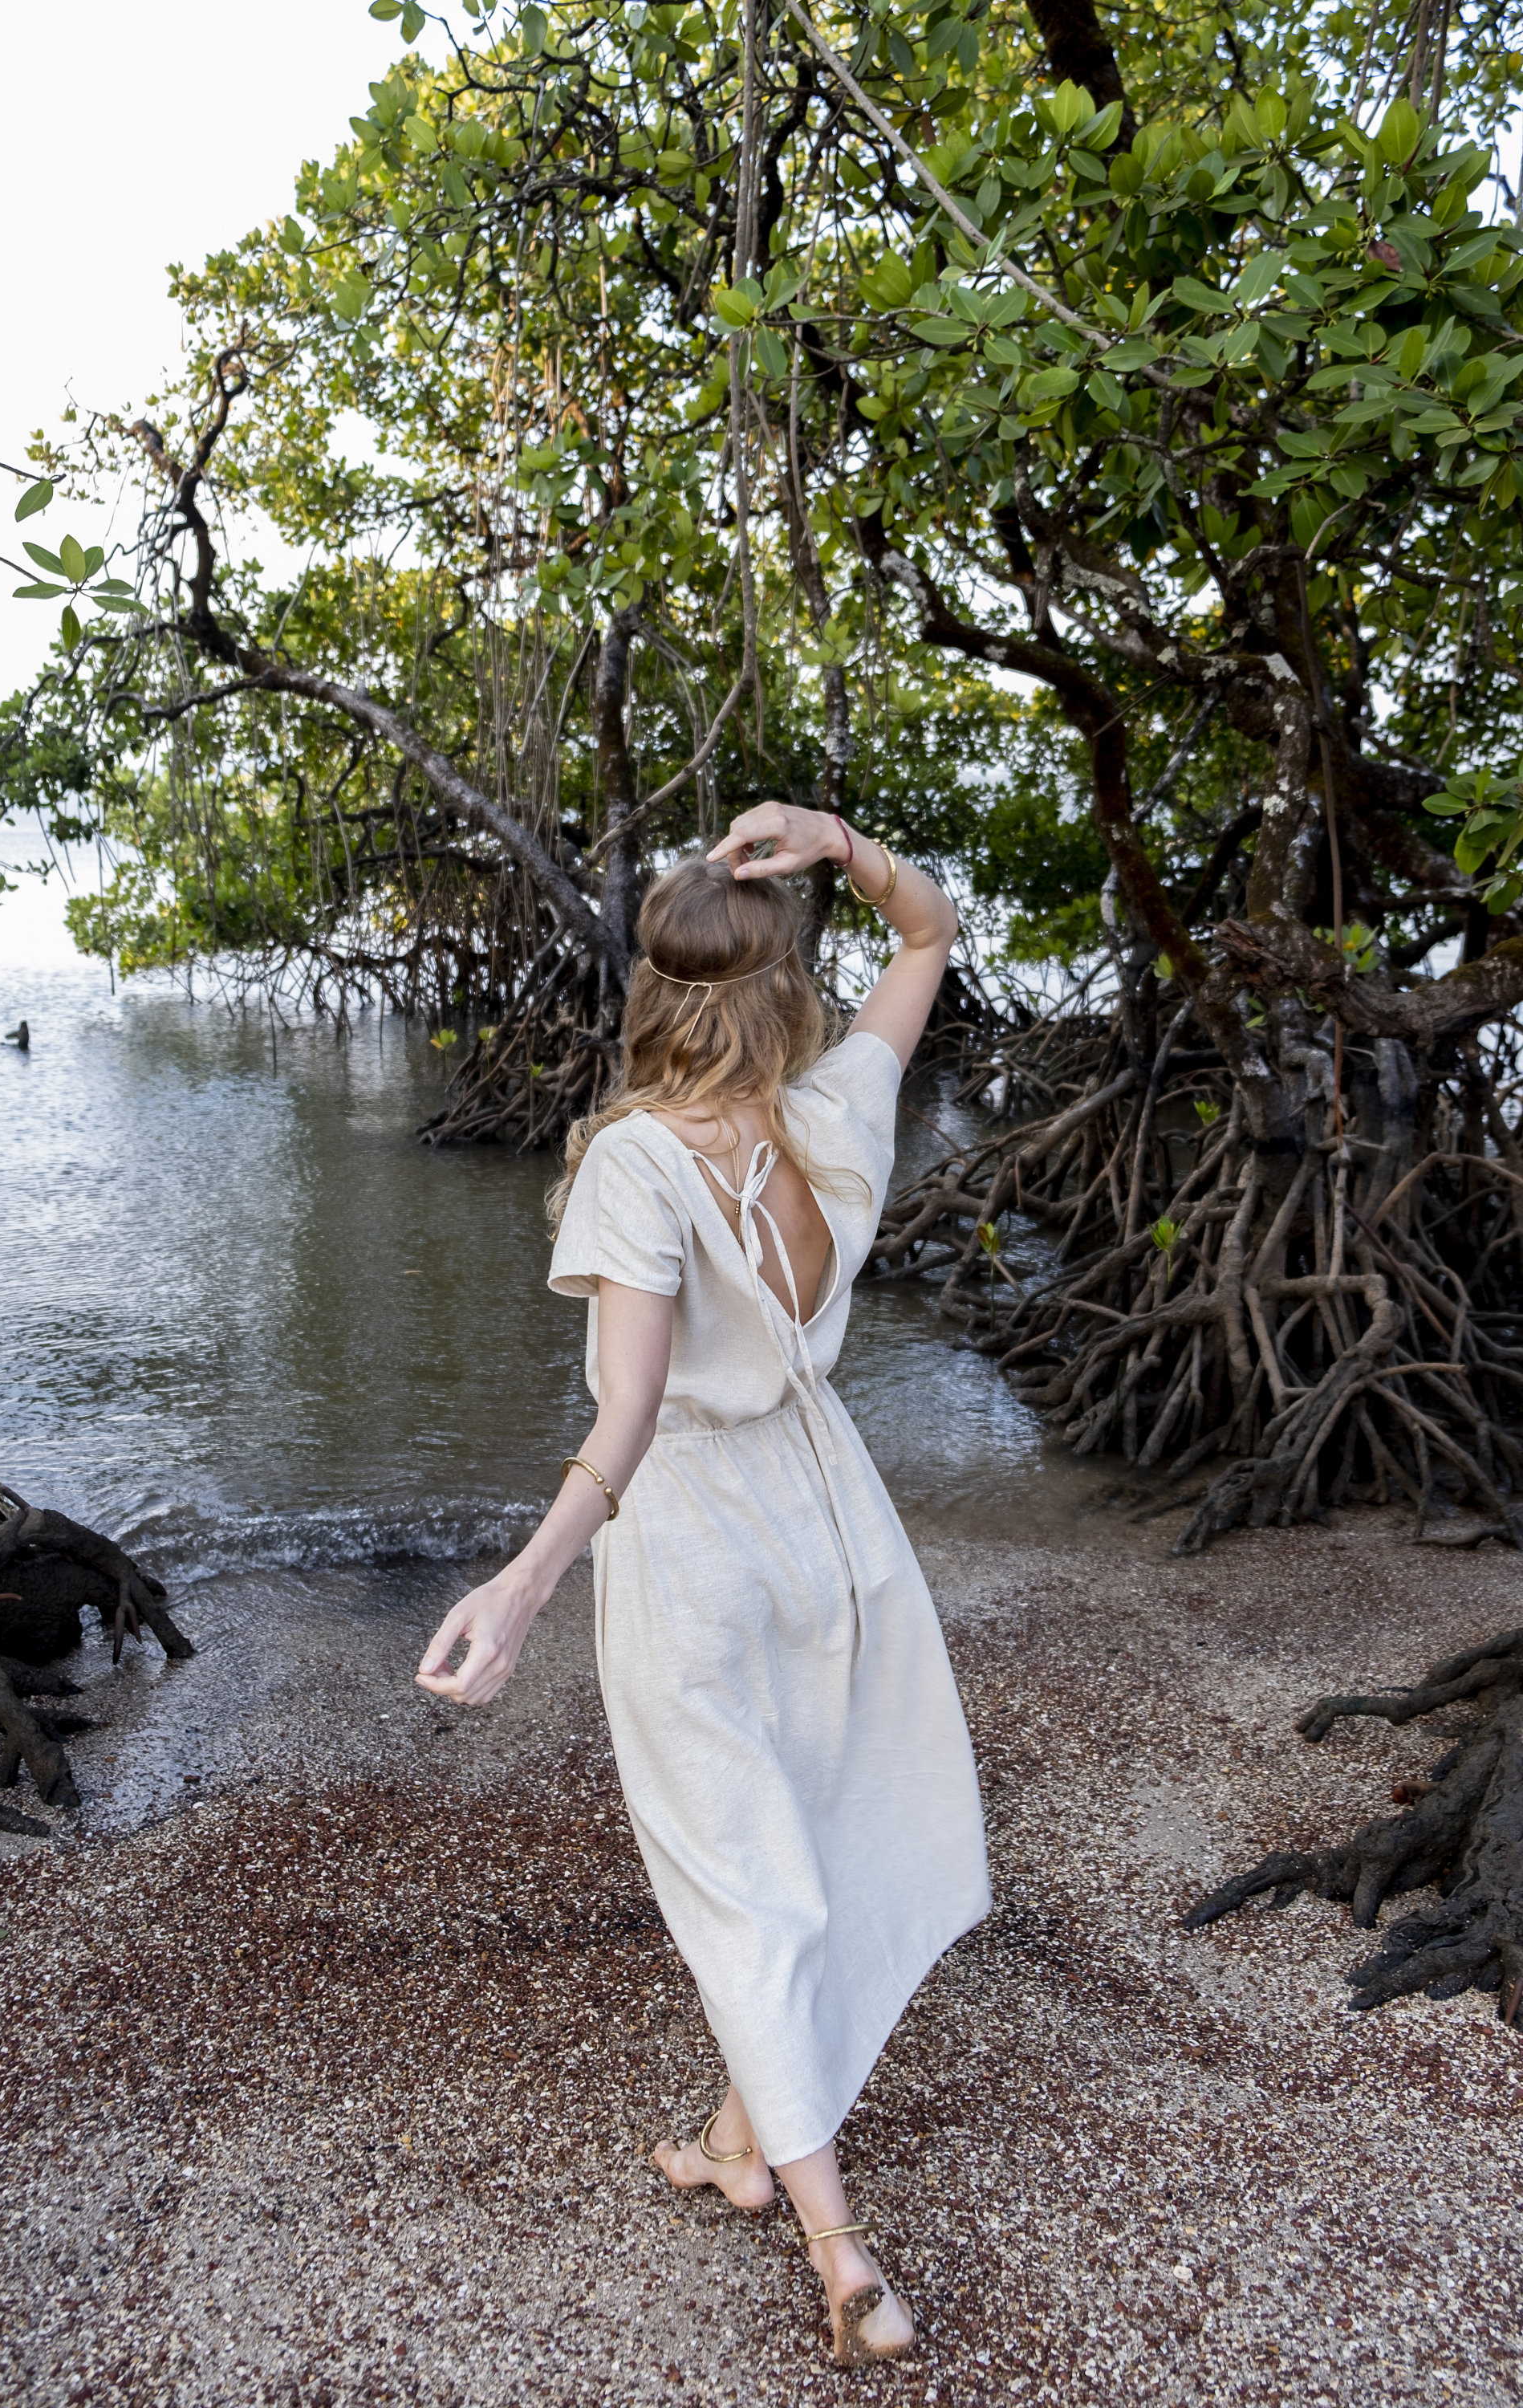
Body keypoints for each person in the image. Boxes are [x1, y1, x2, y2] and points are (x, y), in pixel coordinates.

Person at [417, 803, 990, 2363]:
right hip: (838, 1530)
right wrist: (837, 843)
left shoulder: (632, 1162)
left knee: (744, 1880)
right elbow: (931, 931)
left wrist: (524, 1583)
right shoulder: (833, 1108)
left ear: (652, 998)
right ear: (787, 991)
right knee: (807, 1840)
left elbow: (627, 1418)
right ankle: (740, 2146)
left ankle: (840, 2251)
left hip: (696, 1550)